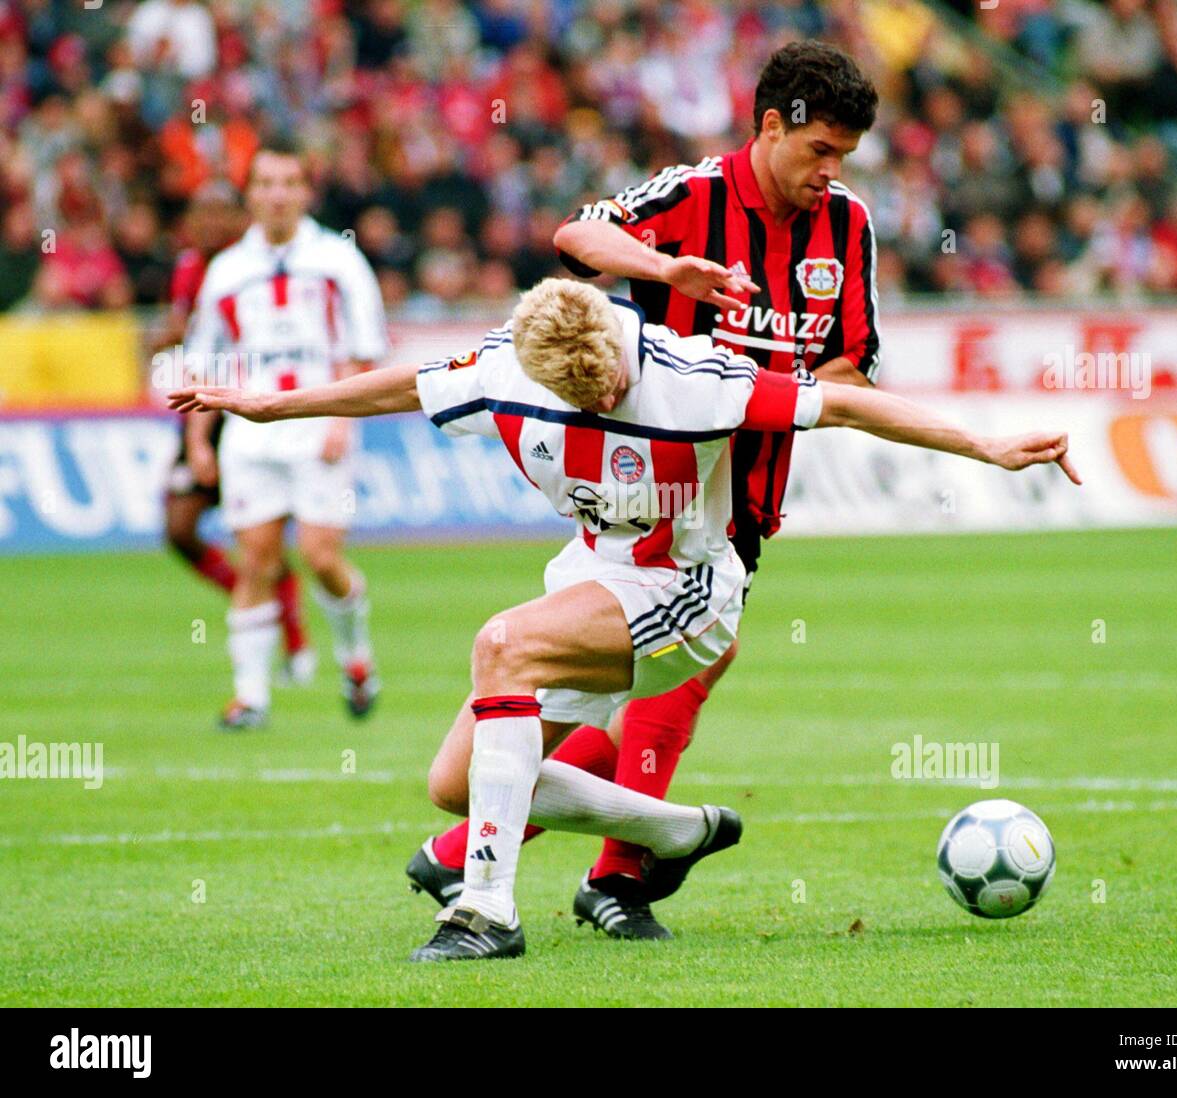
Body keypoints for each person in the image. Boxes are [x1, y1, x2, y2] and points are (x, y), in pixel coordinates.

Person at [169, 278, 1080, 960]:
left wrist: (986, 444)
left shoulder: (696, 381)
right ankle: (671, 830)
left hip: (692, 591)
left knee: (502, 644)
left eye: (607, 381)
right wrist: (269, 406)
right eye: (581, 394)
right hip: (595, 576)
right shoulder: (504, 367)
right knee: (459, 786)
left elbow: (838, 402)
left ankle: (486, 909)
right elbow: (405, 387)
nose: (602, 398)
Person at [414, 39, 886, 938]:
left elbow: (852, 367)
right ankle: (617, 877)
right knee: (673, 671)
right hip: (646, 496)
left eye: (845, 157)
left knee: (641, 681)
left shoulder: (849, 226)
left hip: (743, 506)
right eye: (820, 150)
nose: (832, 173)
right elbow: (577, 236)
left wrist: (769, 394)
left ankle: (487, 856)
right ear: (771, 125)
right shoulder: (692, 193)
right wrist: (664, 270)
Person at [184, 141, 386, 729]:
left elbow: (364, 350)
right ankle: (251, 696)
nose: (276, 194)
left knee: (321, 556)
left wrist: (343, 421)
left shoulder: (338, 260)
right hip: (250, 436)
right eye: (266, 183)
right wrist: (200, 439)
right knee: (257, 561)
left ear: (305, 192)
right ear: (250, 194)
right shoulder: (227, 270)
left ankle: (355, 656)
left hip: (317, 424)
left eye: (288, 183)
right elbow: (206, 362)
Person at [158, 182, 315, 686]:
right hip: (203, 409)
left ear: (238, 217)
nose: (205, 223)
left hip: (252, 414)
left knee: (259, 545)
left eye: (217, 212)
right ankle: (267, 604)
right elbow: (192, 337)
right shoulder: (191, 267)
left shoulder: (253, 264)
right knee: (180, 529)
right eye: (197, 211)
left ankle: (288, 637)